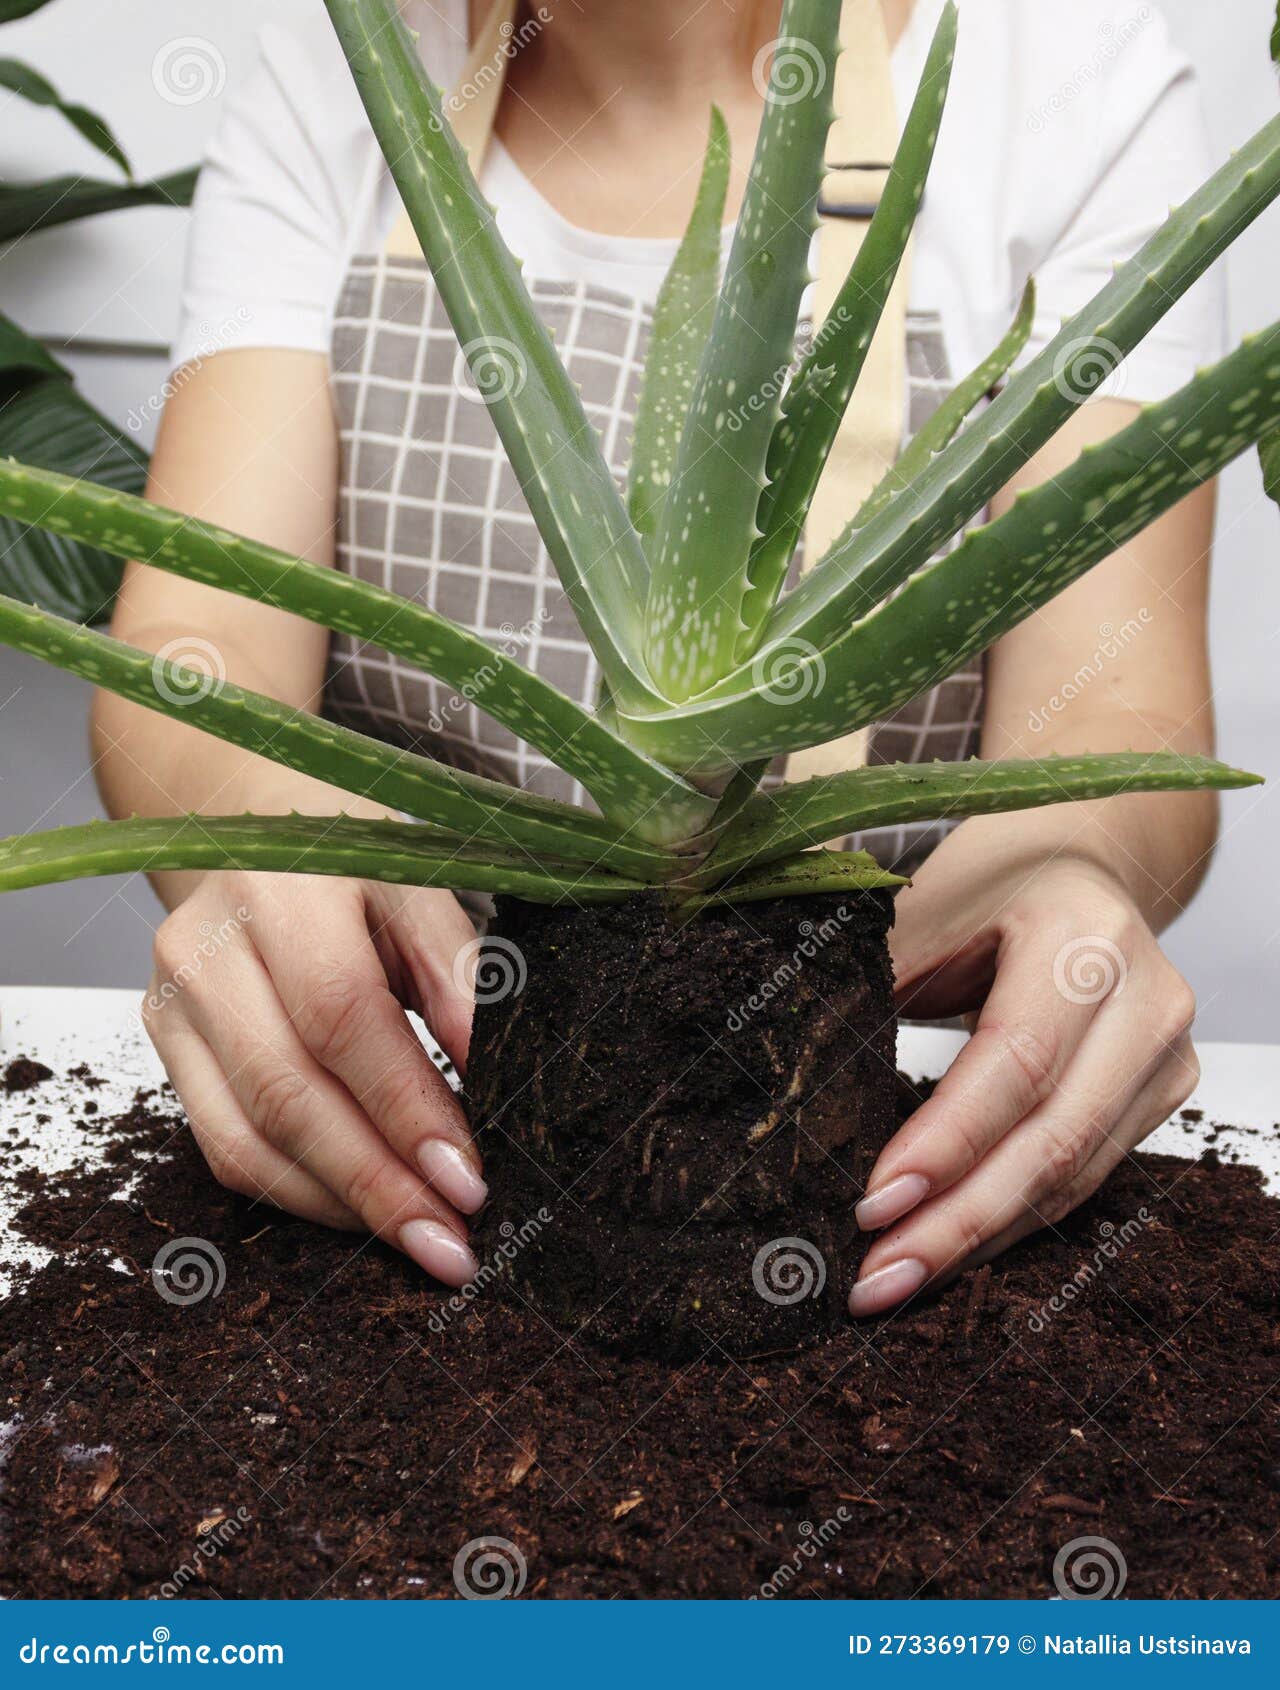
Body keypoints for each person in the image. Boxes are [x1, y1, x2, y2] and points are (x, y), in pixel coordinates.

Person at [93, 0, 1225, 1316]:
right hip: (414, 1103)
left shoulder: (1067, 72)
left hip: (860, 1131)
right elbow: (200, 642)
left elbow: (1117, 712)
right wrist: (260, 829)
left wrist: (1074, 867)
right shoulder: (354, 52)